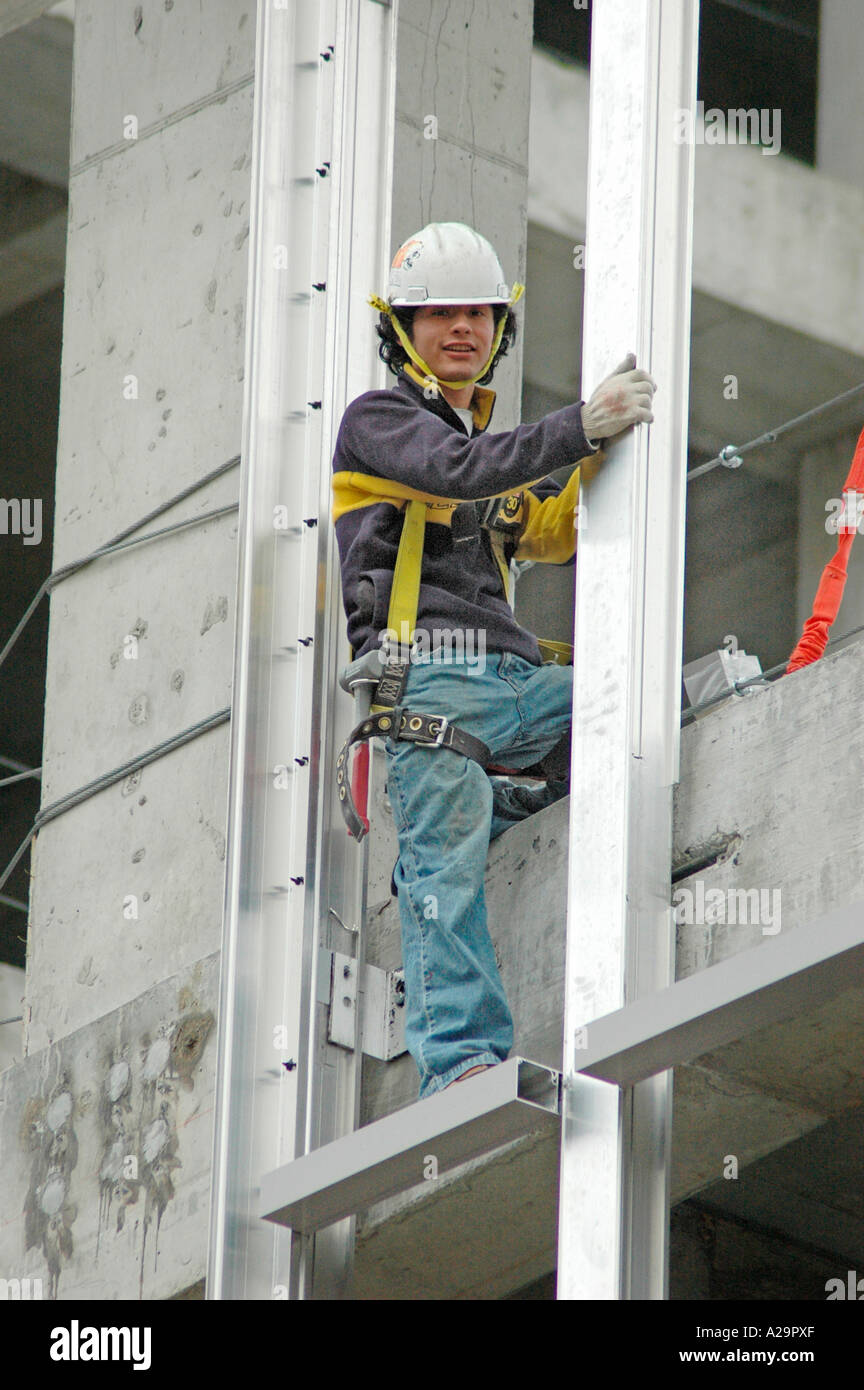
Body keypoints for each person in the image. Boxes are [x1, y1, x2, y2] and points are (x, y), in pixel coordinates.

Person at [331, 222, 655, 1099]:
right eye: (439, 315)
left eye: (477, 313)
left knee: (638, 714)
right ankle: (463, 1066)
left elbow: (545, 523)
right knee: (442, 877)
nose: (462, 328)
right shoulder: (379, 424)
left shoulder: (490, 451)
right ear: (402, 330)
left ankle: (502, 801)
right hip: (431, 689)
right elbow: (459, 471)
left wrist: (616, 457)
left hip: (514, 688)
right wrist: (579, 426)